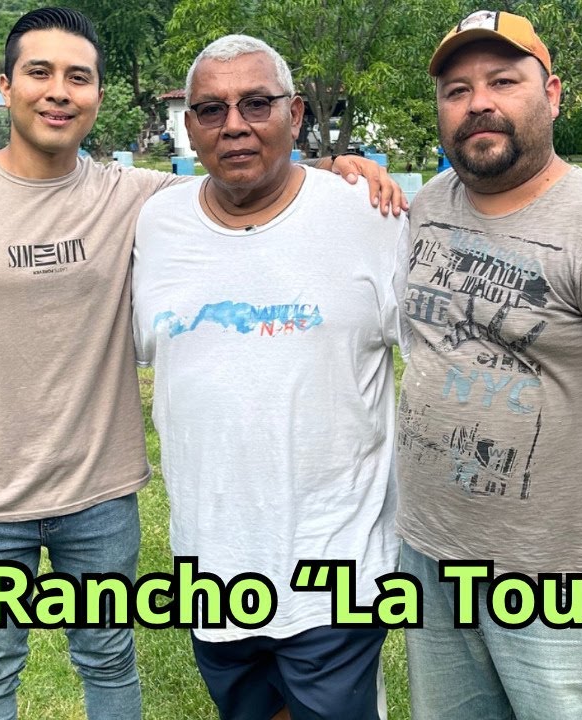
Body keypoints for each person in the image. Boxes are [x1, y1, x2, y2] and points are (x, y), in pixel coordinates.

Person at [0, 8, 402, 720]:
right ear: (5, 86)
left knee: (108, 658)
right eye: (40, 73)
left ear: (95, 95)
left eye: (78, 77)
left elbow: (250, 178)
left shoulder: (141, 198)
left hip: (102, 492)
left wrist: (338, 170)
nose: (59, 92)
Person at [396, 10, 582, 719]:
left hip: (566, 572)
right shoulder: (427, 206)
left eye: (503, 81)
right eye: (456, 89)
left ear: (552, 93)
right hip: (431, 554)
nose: (479, 102)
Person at [132, 35, 409, 720]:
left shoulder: (368, 216)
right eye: (211, 108)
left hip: (335, 564)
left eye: (258, 103)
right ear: (189, 126)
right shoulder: (156, 222)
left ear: (296, 112)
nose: (235, 124)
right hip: (211, 559)